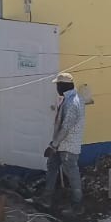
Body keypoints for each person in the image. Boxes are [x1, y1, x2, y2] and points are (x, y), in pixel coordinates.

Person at [41, 71, 85, 214]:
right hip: (60, 143)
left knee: (72, 174)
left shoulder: (72, 103)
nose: (56, 89)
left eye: (58, 85)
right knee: (52, 167)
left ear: (63, 86)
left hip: (68, 146)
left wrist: (53, 146)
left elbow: (66, 127)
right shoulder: (70, 98)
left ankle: (77, 206)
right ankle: (46, 199)